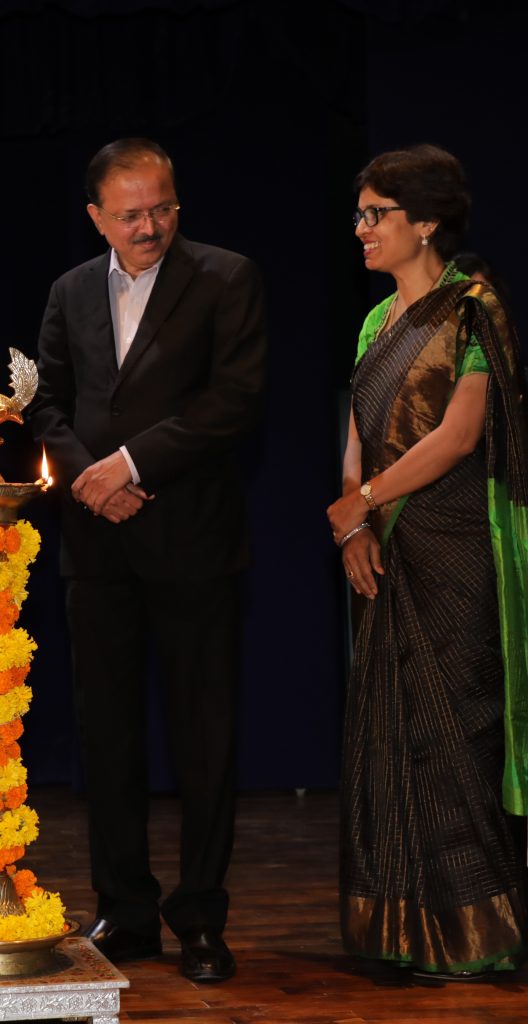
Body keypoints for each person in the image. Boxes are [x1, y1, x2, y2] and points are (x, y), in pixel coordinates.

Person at [31, 138, 266, 983]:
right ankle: (125, 911)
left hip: (194, 542)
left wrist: (129, 466)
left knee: (205, 739)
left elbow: (234, 400)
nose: (150, 226)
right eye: (131, 213)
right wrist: (93, 484)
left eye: (162, 207)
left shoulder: (226, 277)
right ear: (96, 216)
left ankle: (200, 918)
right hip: (98, 549)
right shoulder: (69, 290)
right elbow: (45, 403)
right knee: (108, 739)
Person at [328, 143, 528, 978]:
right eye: (360, 214)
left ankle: (478, 935)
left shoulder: (476, 312)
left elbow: (460, 435)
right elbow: (357, 431)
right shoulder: (377, 320)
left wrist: (367, 499)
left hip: (454, 548)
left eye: (376, 214)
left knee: (456, 734)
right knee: (391, 734)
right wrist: (354, 525)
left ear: (426, 222)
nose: (361, 229)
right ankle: (399, 931)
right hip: (383, 551)